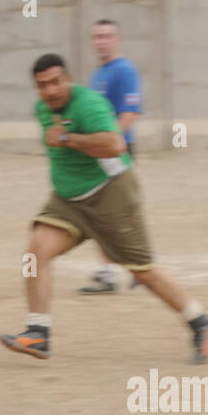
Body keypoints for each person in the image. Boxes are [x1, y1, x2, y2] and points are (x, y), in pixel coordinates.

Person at [0, 54, 208, 363]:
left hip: (111, 194)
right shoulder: (42, 109)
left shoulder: (89, 104)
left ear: (69, 79)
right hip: (67, 201)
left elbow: (115, 144)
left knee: (143, 272)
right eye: (41, 86)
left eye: (55, 82)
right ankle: (38, 332)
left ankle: (202, 322)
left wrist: (65, 137)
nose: (50, 91)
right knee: (35, 253)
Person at [80, 19, 146, 295]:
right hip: (102, 151)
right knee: (110, 212)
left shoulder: (123, 70)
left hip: (116, 151)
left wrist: (112, 142)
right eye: (96, 36)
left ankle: (118, 272)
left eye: (106, 36)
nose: (100, 41)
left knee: (109, 211)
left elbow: (131, 111)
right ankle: (134, 270)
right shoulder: (99, 74)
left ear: (117, 39)